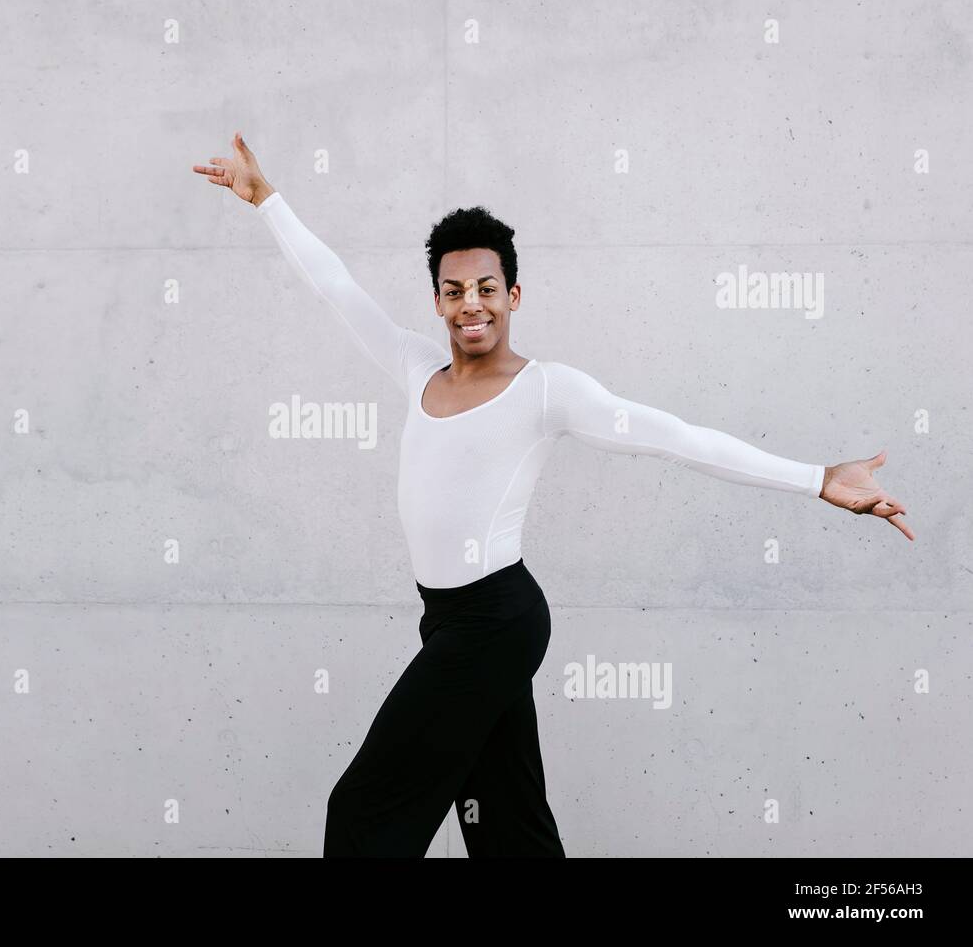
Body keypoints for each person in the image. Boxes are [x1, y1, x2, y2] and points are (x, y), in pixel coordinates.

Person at [192, 132, 914, 858]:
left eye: (484, 289)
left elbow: (677, 437)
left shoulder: (546, 391)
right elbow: (336, 286)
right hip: (447, 621)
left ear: (512, 294)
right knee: (507, 823)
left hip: (497, 621)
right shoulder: (416, 368)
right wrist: (267, 201)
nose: (470, 305)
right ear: (438, 301)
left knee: (364, 809)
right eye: (453, 291)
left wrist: (817, 479)